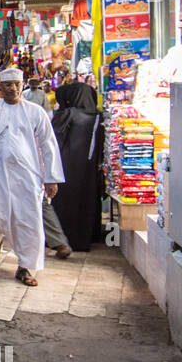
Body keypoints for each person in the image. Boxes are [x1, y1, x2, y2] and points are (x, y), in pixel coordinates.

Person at [0, 67, 65, 287]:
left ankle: (25, 267)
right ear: (1, 87)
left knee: (27, 220)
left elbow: (48, 145)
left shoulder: (36, 112)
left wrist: (51, 177)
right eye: (8, 85)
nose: (12, 88)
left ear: (22, 84)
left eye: (16, 84)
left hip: (27, 175)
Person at [50, 81, 104, 251]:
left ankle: (63, 239)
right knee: (87, 202)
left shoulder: (68, 114)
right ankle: (86, 238)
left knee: (65, 204)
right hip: (89, 171)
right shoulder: (98, 117)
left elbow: (53, 141)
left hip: (65, 168)